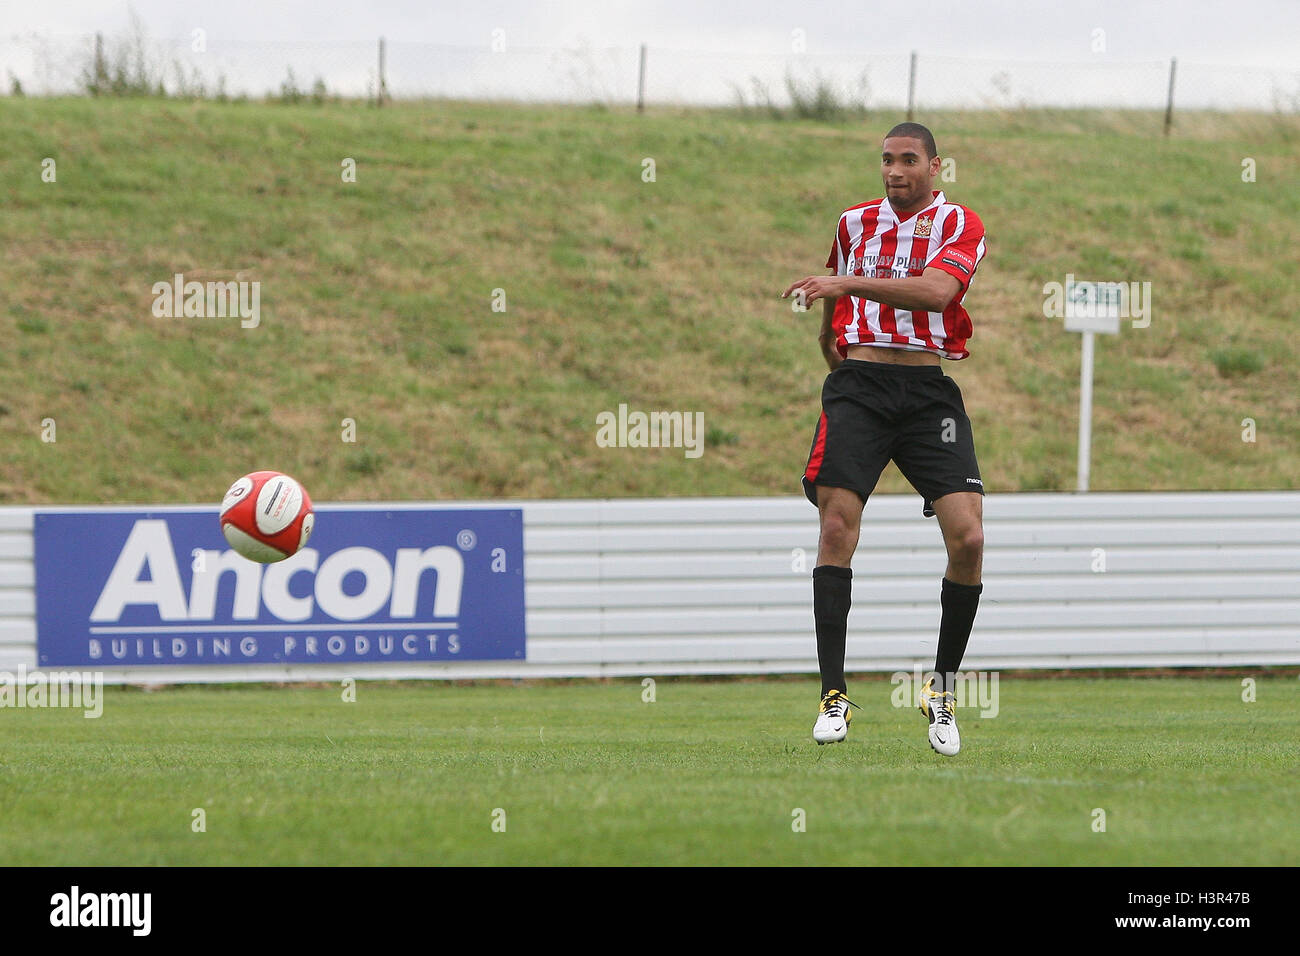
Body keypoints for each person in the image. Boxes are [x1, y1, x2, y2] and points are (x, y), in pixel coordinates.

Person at [781, 122, 987, 756]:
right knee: (837, 527)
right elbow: (832, 295)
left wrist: (846, 286)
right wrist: (827, 340)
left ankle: (942, 692)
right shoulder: (853, 223)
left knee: (970, 536)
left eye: (908, 160)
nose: (895, 170)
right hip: (860, 387)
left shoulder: (960, 225)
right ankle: (833, 697)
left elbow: (937, 292)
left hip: (928, 395)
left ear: (935, 166)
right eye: (886, 161)